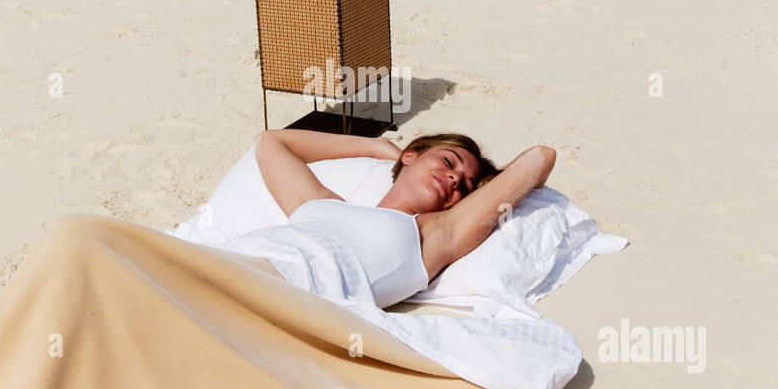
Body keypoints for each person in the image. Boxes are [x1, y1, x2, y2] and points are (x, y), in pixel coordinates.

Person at [226, 127, 557, 309]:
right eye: (448, 161)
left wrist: (487, 184)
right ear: (411, 156)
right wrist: (375, 148)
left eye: (466, 185)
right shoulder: (321, 203)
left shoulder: (433, 235)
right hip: (232, 260)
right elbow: (273, 141)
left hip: (290, 297)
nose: (455, 178)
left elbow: (540, 158)